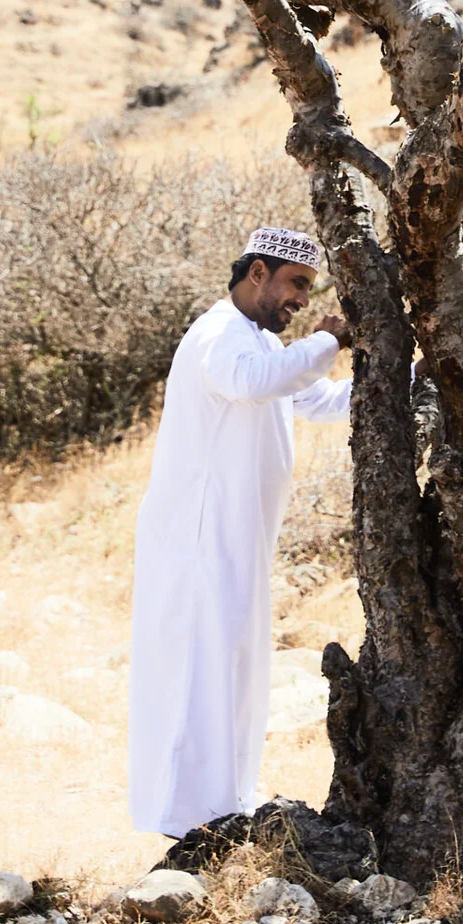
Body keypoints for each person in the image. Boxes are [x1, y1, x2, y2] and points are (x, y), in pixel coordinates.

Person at [127, 225, 352, 839]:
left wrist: (410, 381)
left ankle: (224, 805)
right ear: (258, 272)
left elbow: (316, 399)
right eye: (295, 284)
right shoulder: (220, 336)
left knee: (233, 671)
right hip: (200, 541)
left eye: (308, 289)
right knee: (198, 669)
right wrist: (328, 339)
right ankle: (187, 818)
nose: (301, 300)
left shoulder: (253, 342)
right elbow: (258, 383)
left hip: (238, 541)